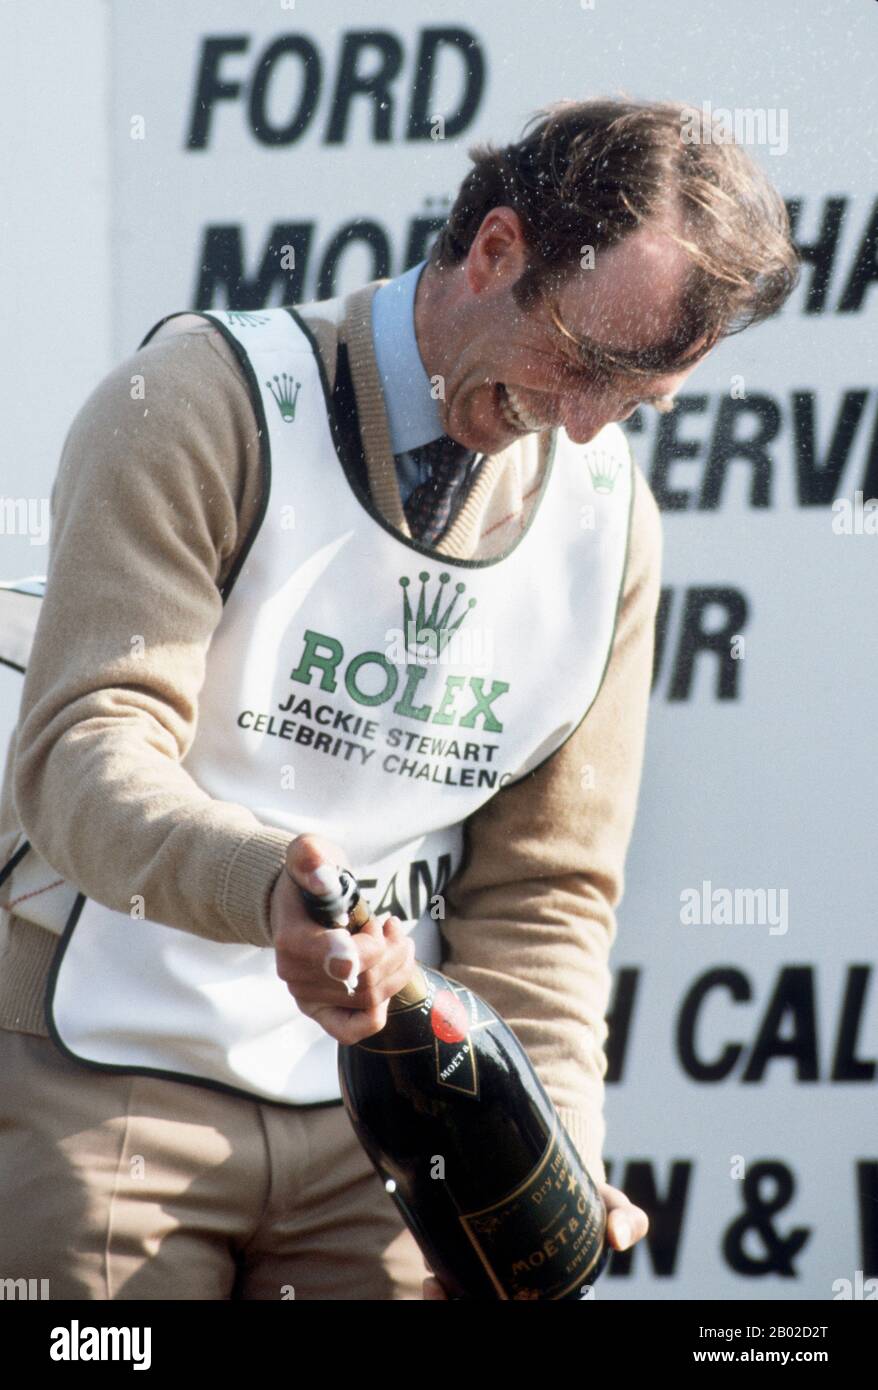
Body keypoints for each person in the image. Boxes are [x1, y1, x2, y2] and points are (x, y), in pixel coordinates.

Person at [0, 97, 799, 1300]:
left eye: (635, 398)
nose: (584, 427)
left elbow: (542, 895)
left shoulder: (607, 516)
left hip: (380, 1120)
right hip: (107, 1060)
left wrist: (553, 1157)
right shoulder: (201, 404)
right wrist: (273, 885)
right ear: (493, 250)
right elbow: (82, 754)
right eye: (581, 362)